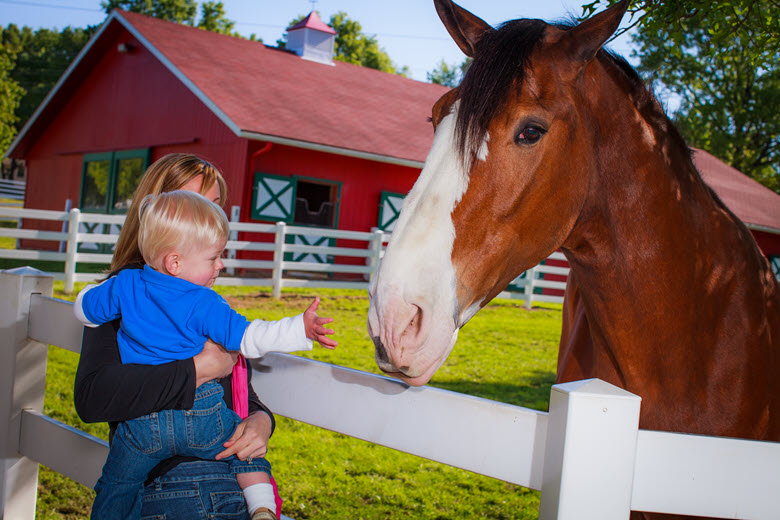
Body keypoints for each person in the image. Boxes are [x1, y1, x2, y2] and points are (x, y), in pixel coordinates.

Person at [74, 189, 336, 520]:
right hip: (200, 413)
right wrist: (299, 328)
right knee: (242, 453)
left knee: (117, 482)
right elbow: (251, 337)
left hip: (141, 428)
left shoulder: (124, 285)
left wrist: (91, 294)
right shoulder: (206, 302)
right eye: (214, 257)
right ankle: (263, 508)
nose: (221, 264)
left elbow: (85, 311)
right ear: (175, 261)